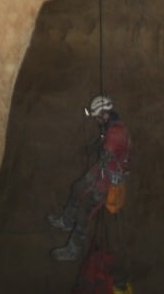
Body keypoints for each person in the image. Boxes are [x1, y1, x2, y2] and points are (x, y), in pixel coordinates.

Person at [48, 94, 131, 262]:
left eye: (97, 117)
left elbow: (104, 160)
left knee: (85, 210)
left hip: (109, 180)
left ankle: (73, 249)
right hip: (105, 171)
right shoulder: (111, 126)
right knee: (78, 187)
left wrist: (90, 179)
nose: (97, 121)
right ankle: (67, 221)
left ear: (105, 114)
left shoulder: (116, 133)